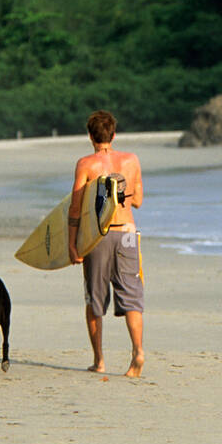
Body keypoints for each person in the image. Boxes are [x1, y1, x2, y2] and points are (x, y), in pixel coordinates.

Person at [69, 110, 144, 378]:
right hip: (126, 232)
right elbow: (138, 201)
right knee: (131, 294)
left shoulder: (86, 164)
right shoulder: (131, 160)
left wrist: (72, 243)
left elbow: (76, 208)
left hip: (98, 235)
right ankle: (138, 351)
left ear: (90, 136)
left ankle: (99, 361)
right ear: (113, 135)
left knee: (95, 297)